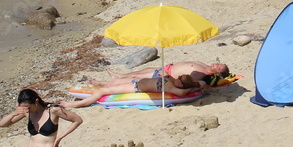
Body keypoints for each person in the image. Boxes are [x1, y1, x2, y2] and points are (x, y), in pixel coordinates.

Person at [62, 74, 204, 109]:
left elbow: (181, 94)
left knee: (104, 91)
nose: (178, 77)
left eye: (180, 79)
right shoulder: (173, 80)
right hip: (136, 82)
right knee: (111, 83)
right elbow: (201, 83)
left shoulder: (173, 88)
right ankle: (98, 83)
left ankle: (75, 105)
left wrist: (190, 88)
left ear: (182, 84)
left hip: (136, 88)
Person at [98, 62, 230, 87]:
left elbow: (186, 82)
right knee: (142, 71)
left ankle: (113, 80)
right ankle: (120, 76)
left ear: (218, 74)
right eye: (219, 63)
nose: (217, 64)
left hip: (165, 74)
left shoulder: (200, 74)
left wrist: (168, 77)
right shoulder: (203, 65)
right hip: (167, 67)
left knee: (137, 77)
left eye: (219, 67)